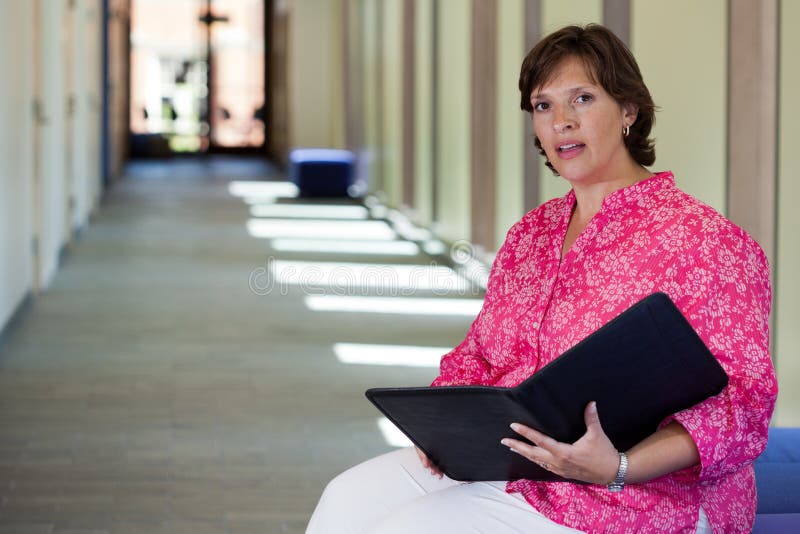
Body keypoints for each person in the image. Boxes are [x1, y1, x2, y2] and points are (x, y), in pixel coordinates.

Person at [306, 24, 777, 534]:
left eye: (583, 98)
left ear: (628, 110)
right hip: (514, 463)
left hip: (640, 493)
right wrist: (440, 429)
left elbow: (744, 404)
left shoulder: (705, 241)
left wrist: (618, 466)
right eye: (544, 105)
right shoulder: (533, 233)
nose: (562, 122)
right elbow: (480, 355)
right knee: (345, 501)